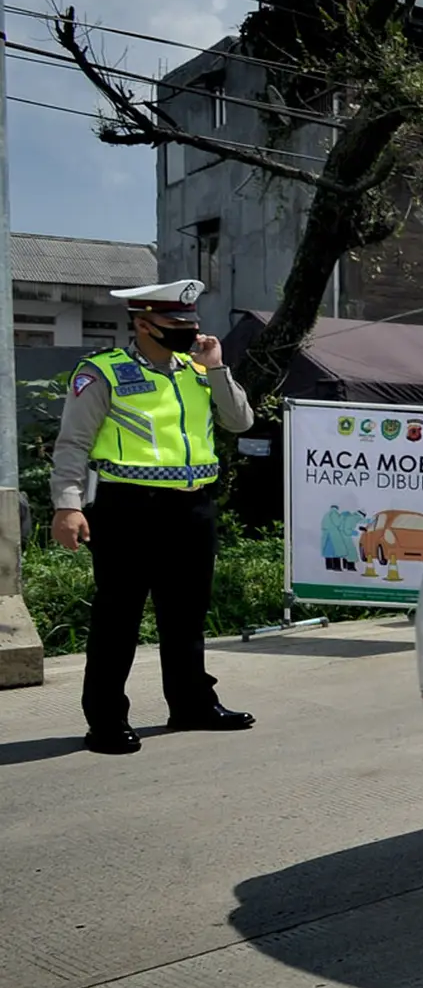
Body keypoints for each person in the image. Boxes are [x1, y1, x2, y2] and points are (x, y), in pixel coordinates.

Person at [52, 280, 258, 755]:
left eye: (192, 324)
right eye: (175, 325)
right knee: (118, 617)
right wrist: (67, 505)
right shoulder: (103, 372)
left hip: (193, 508)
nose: (188, 332)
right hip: (127, 509)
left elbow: (240, 421)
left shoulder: (198, 369)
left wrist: (218, 369)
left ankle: (191, 705)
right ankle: (105, 720)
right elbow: (73, 445)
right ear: (143, 324)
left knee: (186, 615)